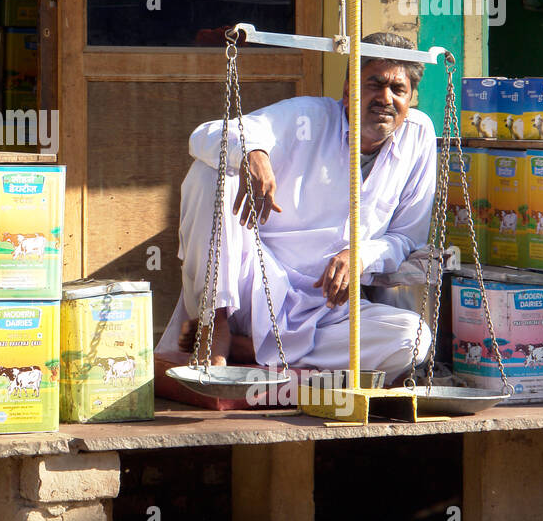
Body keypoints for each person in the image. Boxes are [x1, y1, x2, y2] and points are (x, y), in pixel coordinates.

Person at [155, 31, 436, 386]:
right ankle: (216, 328)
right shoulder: (308, 117)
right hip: (252, 290)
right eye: (374, 84)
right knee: (211, 172)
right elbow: (205, 135)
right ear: (349, 90)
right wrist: (253, 154)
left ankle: (251, 351)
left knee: (413, 340)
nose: (385, 98)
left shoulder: (419, 135)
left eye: (398, 89)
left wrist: (361, 255)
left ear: (411, 99)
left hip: (326, 309)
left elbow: (406, 237)